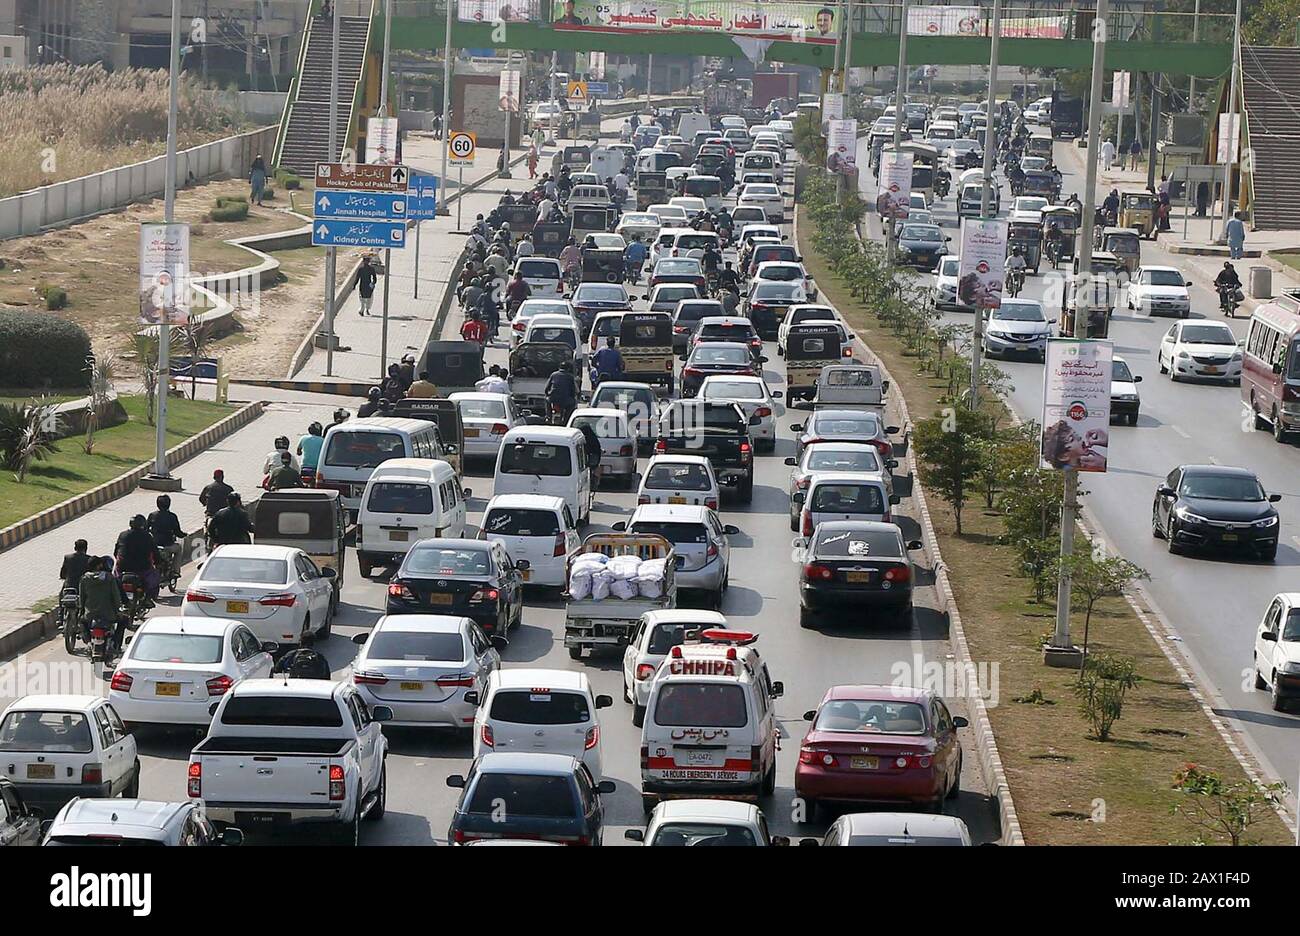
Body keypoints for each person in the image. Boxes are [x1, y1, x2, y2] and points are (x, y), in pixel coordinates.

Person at [78, 556, 124, 654]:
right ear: (100, 565)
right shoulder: (109, 578)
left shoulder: (85, 578)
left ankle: (88, 643)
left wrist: (81, 611)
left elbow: (82, 598)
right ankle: (114, 644)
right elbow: (116, 596)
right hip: (109, 615)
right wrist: (118, 610)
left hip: (90, 614)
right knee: (123, 621)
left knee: (82, 622)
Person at [115, 514, 160, 601]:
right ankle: (148, 599)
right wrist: (158, 562)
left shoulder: (122, 535)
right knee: (154, 577)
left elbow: (116, 552)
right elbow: (155, 551)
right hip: (142, 568)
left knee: (116, 577)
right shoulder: (147, 536)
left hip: (123, 567)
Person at [147, 494, 185, 580]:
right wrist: (184, 535)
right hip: (169, 545)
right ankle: (176, 571)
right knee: (179, 549)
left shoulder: (152, 515)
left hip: (155, 546)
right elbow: (178, 532)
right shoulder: (172, 516)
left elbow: (146, 529)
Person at [576, 419, 603, 489]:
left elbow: (587, 450)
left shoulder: (589, 439)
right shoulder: (592, 437)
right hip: (594, 458)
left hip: (593, 458)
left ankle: (592, 482)